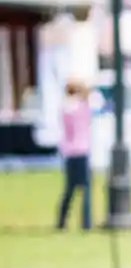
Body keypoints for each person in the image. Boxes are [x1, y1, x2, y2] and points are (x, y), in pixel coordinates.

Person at [55, 80, 93, 232]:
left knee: (69, 189)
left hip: (70, 151)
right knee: (86, 188)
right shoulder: (82, 107)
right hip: (82, 150)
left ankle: (62, 221)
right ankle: (86, 223)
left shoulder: (65, 108)